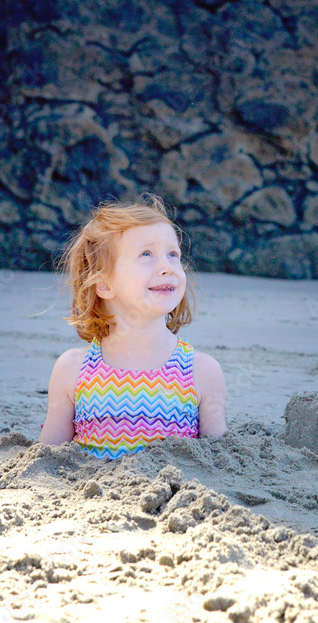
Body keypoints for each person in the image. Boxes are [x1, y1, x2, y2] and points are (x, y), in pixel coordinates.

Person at [39, 194, 227, 458]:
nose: (167, 267)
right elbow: (46, 458)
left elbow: (222, 461)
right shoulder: (73, 370)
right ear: (104, 284)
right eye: (146, 254)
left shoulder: (202, 371)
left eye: (173, 254)